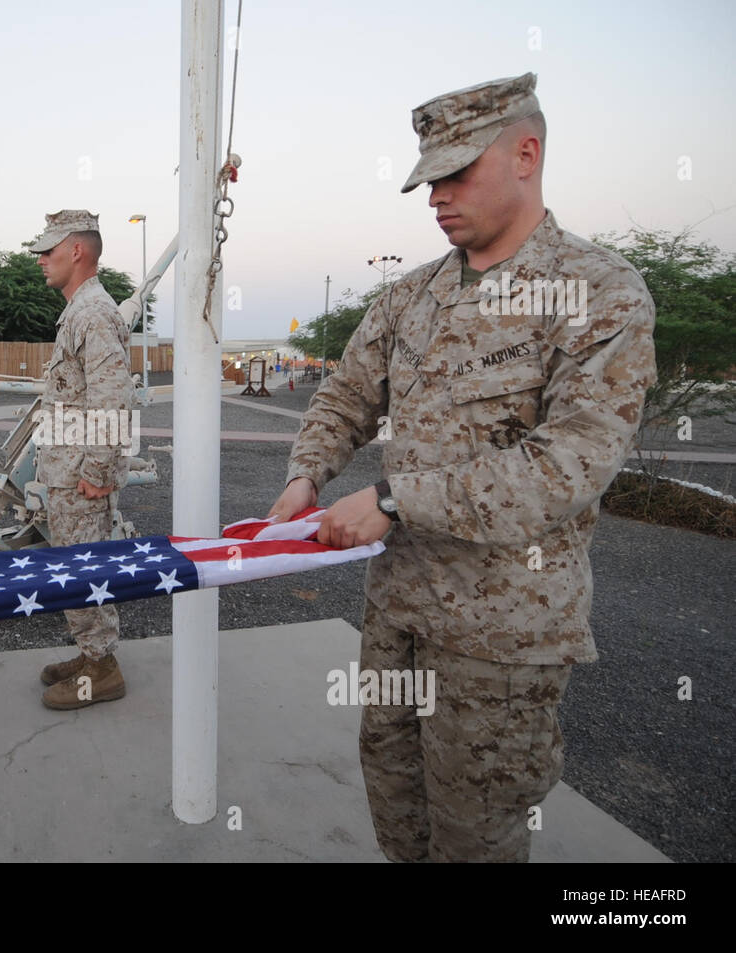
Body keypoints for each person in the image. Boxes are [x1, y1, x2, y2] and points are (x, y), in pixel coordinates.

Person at [267, 73, 656, 862]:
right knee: (396, 806)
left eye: (456, 172)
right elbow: (346, 395)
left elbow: (568, 463)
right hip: (399, 612)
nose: (437, 196)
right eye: (428, 179)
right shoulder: (409, 297)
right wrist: (307, 473)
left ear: (526, 153)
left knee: (475, 834)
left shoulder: (599, 294)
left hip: (500, 639)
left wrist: (392, 497)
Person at [28, 210, 134, 710]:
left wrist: (95, 471)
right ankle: (92, 654)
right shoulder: (79, 310)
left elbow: (113, 399)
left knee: (83, 569)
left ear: (78, 251)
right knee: (73, 568)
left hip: (80, 477)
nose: (40, 259)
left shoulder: (91, 312)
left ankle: (102, 667)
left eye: (49, 250)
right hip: (68, 472)